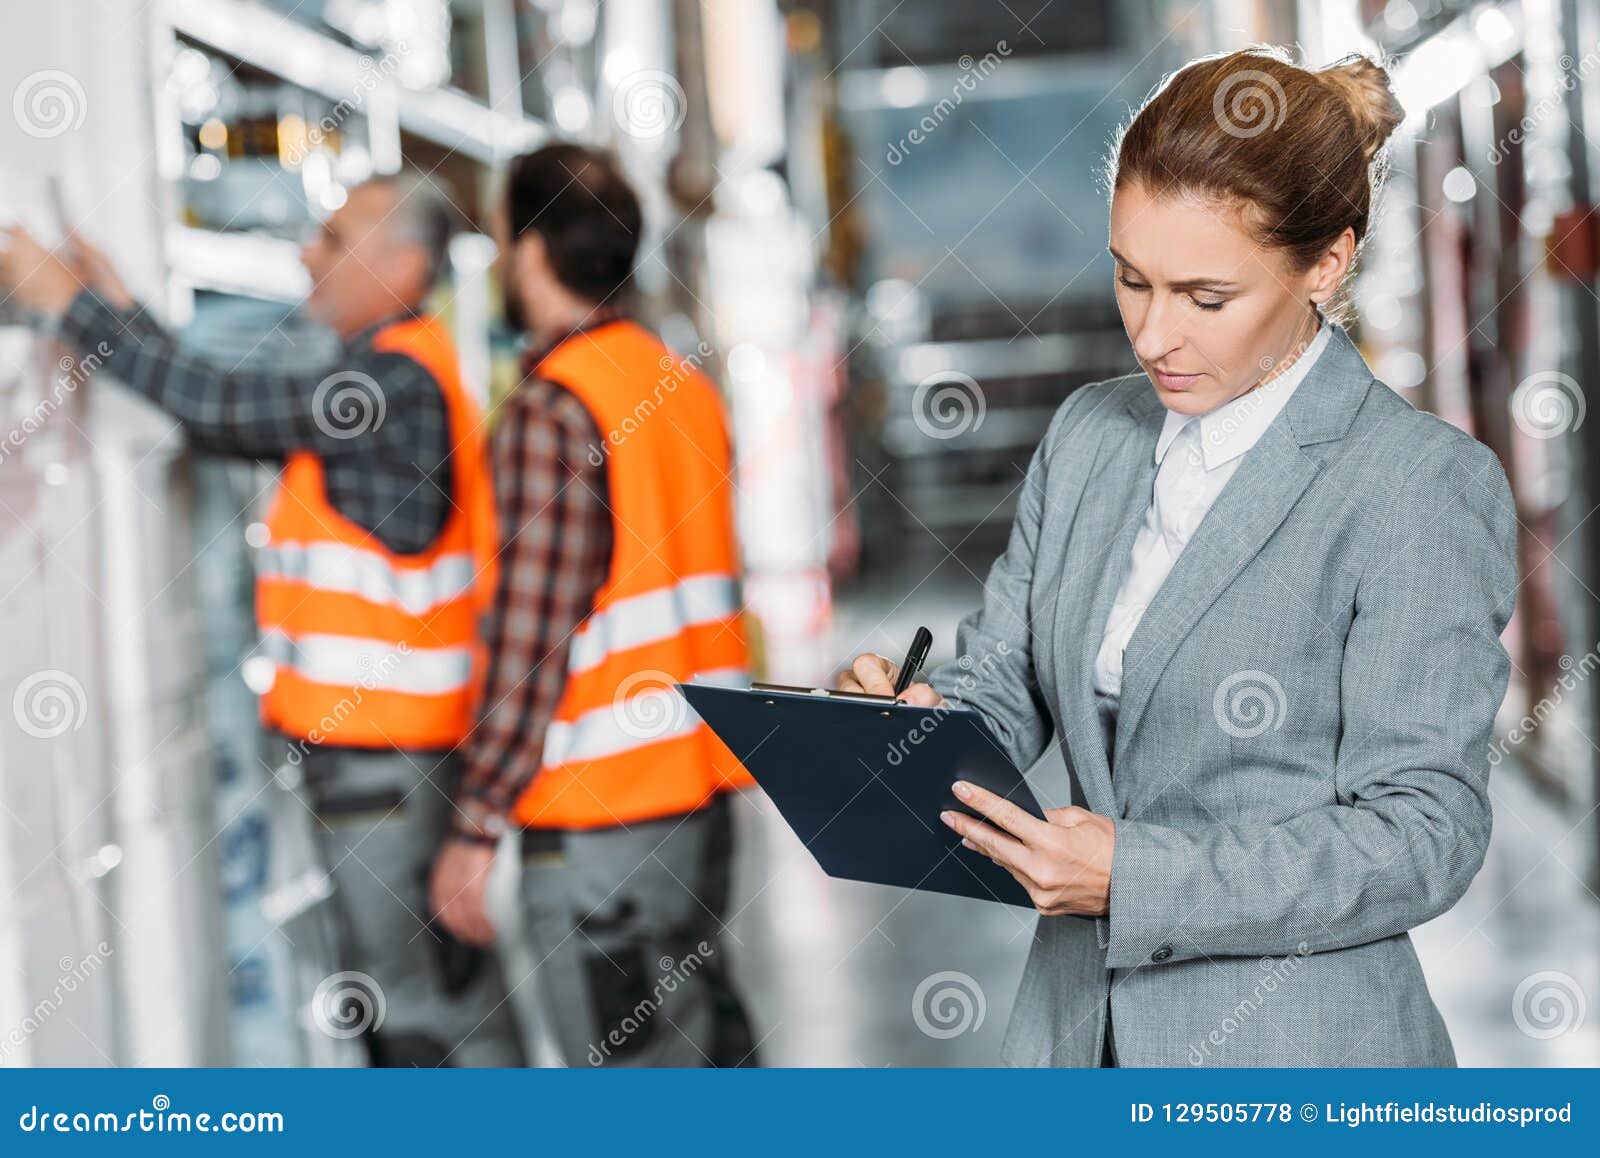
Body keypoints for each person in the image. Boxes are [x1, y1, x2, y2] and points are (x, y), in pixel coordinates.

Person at [841, 48, 1516, 1067]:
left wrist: (1135, 879)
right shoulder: (1090, 435)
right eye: (1130, 279)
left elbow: (1423, 836)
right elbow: (1009, 677)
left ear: (1325, 264)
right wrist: (921, 720)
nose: (1154, 335)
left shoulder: (1415, 486)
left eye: (1205, 297)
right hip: (1076, 1033)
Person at [0, 174, 526, 1067]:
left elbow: (221, 409)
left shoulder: (392, 385)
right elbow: (225, 411)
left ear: (403, 266)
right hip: (386, 757)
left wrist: (75, 309)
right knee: (421, 1005)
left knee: (424, 1016)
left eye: (335, 238)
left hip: (389, 760)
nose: (308, 255)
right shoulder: (393, 369)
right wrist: (119, 315)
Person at [427, 143, 759, 1067]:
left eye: (504, 240)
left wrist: (474, 826)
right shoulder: (678, 385)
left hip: (597, 823)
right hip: (697, 802)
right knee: (699, 1051)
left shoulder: (552, 411)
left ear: (533, 252)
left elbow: (530, 638)